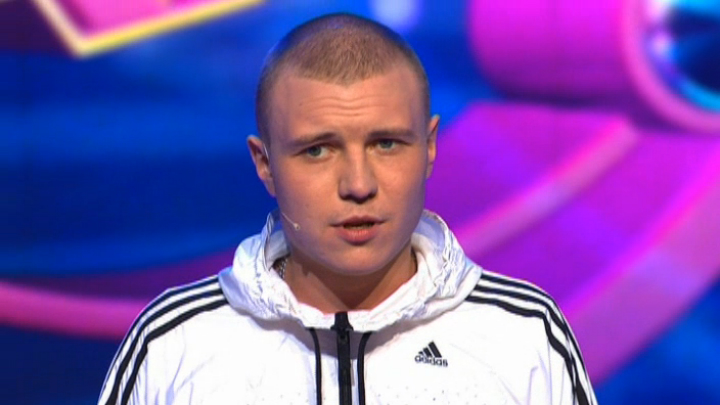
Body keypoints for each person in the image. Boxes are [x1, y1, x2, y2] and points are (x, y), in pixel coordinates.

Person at [98, 12, 597, 405]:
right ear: (265, 164)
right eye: (318, 150)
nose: (358, 185)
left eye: (386, 144)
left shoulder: (524, 336)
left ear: (429, 148)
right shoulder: (173, 345)